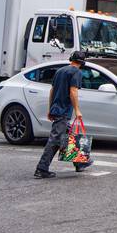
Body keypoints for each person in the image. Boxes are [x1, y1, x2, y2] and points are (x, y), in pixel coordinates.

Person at [34, 50, 85, 180]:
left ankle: (80, 162)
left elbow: (52, 90)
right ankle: (41, 169)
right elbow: (73, 91)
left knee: (70, 137)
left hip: (57, 109)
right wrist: (77, 110)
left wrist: (50, 108)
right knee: (55, 140)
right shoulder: (76, 72)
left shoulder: (60, 71)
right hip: (63, 112)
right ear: (82, 62)